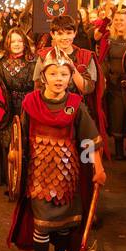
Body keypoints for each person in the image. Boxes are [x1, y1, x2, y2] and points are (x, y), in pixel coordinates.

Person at [7, 50, 106, 251]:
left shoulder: (76, 104)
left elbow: (89, 140)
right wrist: (14, 157)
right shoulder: (31, 102)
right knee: (42, 225)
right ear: (44, 77)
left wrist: (98, 168)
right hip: (38, 173)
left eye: (64, 74)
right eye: (53, 74)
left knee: (65, 225)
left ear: (70, 77)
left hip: (68, 173)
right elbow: (20, 138)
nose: (59, 78)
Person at [32, 14, 105, 150]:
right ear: (52, 34)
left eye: (69, 33)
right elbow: (38, 87)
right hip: (50, 112)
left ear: (75, 33)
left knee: (83, 154)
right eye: (60, 33)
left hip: (78, 112)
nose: (65, 37)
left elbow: (87, 89)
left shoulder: (85, 57)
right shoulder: (43, 57)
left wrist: (71, 67)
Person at [0, 27, 35, 187]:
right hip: (5, 108)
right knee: (6, 143)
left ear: (25, 43)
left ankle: (26, 179)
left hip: (27, 106)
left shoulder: (33, 61)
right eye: (13, 41)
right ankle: (9, 178)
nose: (17, 44)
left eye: (20, 41)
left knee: (26, 142)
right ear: (8, 43)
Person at [99, 6, 126, 160]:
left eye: (122, 20)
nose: (118, 22)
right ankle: (119, 149)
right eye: (116, 20)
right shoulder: (108, 39)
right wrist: (104, 77)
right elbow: (104, 61)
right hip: (114, 84)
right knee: (117, 116)